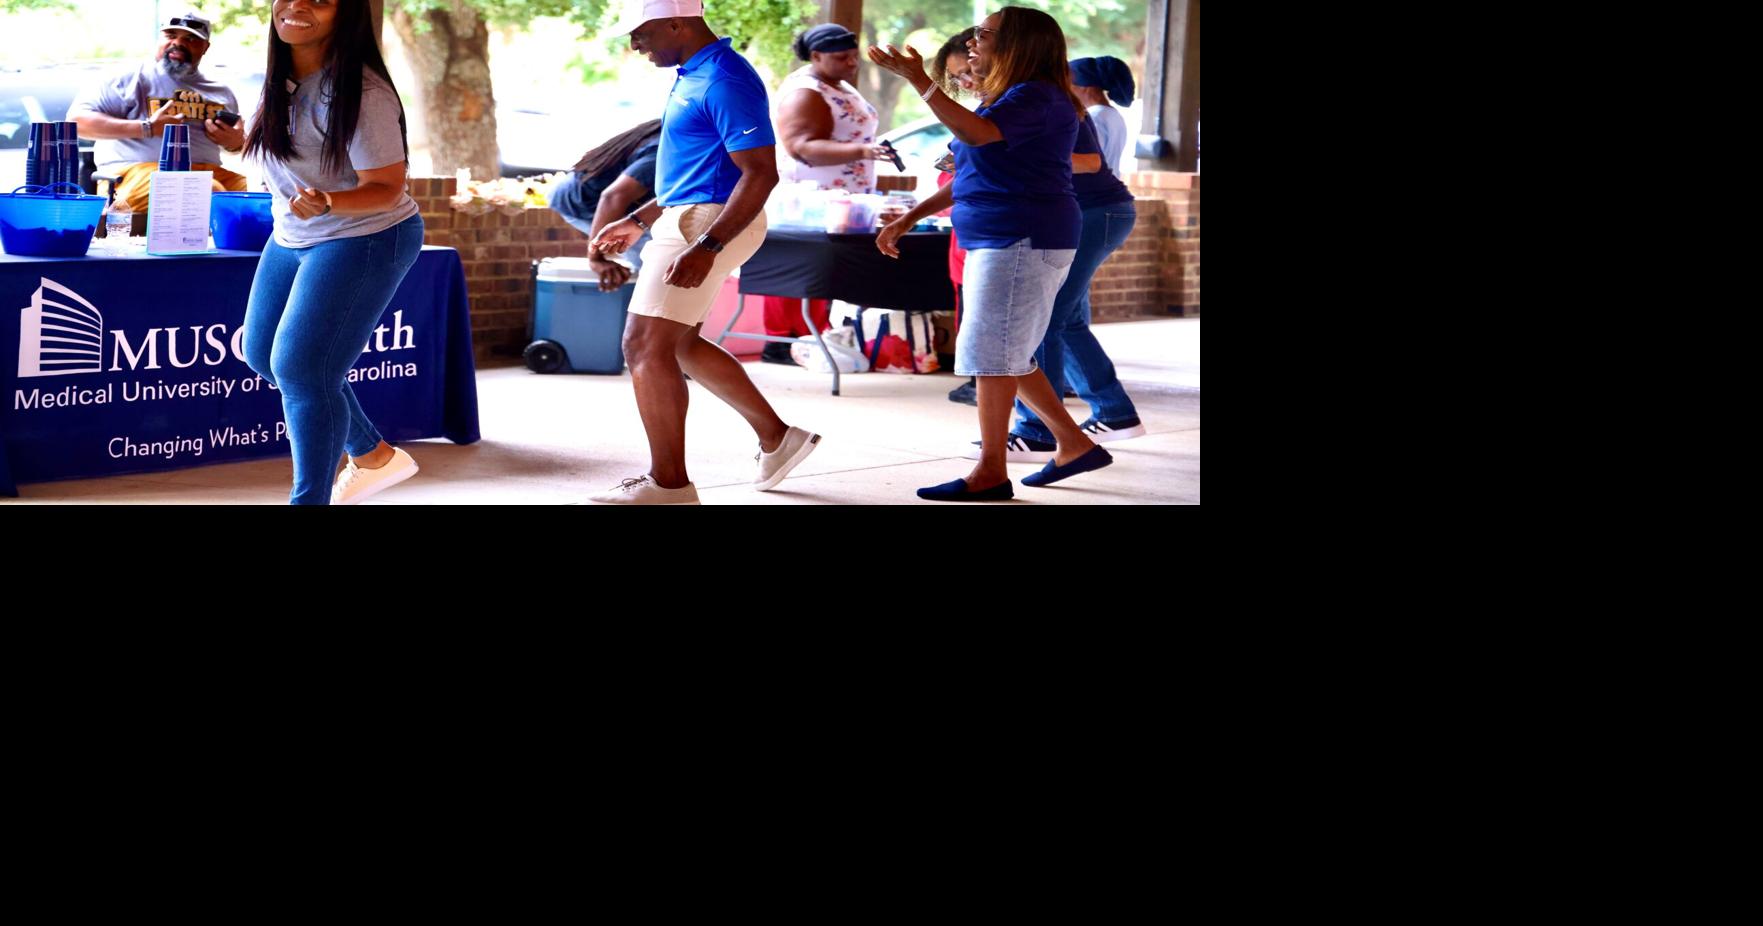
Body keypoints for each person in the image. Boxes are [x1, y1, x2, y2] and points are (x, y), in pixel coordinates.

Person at [869, 7, 1111, 500]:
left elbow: (977, 138)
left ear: (1019, 44)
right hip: (1004, 236)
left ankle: (990, 472)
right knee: (1007, 354)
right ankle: (1072, 444)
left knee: (993, 356)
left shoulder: (1037, 96)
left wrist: (919, 79)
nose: (975, 40)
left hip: (1020, 236)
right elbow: (972, 171)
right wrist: (909, 217)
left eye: (986, 34)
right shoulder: (1008, 99)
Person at [585, 0, 820, 505]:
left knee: (643, 346)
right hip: (688, 215)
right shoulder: (693, 72)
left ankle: (668, 485)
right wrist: (641, 218)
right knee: (680, 345)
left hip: (707, 223)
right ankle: (778, 438)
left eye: (641, 32)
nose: (635, 44)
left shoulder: (725, 79)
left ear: (676, 21)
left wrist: (707, 246)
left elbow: (760, 173)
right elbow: (697, 169)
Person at [240, 0, 426, 505]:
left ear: (345, 15)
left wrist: (328, 200)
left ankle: (310, 499)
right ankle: (372, 455)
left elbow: (387, 186)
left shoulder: (362, 93)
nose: (297, 6)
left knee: (302, 368)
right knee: (262, 354)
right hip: (294, 235)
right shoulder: (279, 80)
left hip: (365, 235)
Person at [756, 22, 892, 363]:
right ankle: (780, 342)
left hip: (841, 197)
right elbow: (801, 146)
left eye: (854, 56)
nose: (852, 63)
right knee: (799, 270)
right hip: (811, 198)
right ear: (816, 56)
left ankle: (812, 338)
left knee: (821, 272)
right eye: (842, 57)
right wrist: (862, 152)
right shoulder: (805, 91)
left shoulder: (836, 84)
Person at [68, 11, 249, 213]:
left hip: (210, 173)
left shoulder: (221, 91)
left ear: (205, 47)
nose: (178, 43)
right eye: (171, 36)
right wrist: (147, 128)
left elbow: (239, 144)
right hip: (135, 174)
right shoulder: (127, 79)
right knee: (201, 191)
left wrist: (235, 143)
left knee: (261, 197)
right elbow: (77, 123)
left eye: (190, 39)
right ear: (159, 39)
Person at [548, 119, 662, 292]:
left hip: (582, 191)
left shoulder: (669, 134)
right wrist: (596, 259)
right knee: (655, 265)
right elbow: (613, 196)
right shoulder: (662, 150)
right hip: (580, 200)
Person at [1070, 56, 1134, 176]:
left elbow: (1087, 161)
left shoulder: (1095, 118)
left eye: (1069, 85)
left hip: (1093, 191)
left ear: (1085, 88)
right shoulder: (1113, 115)